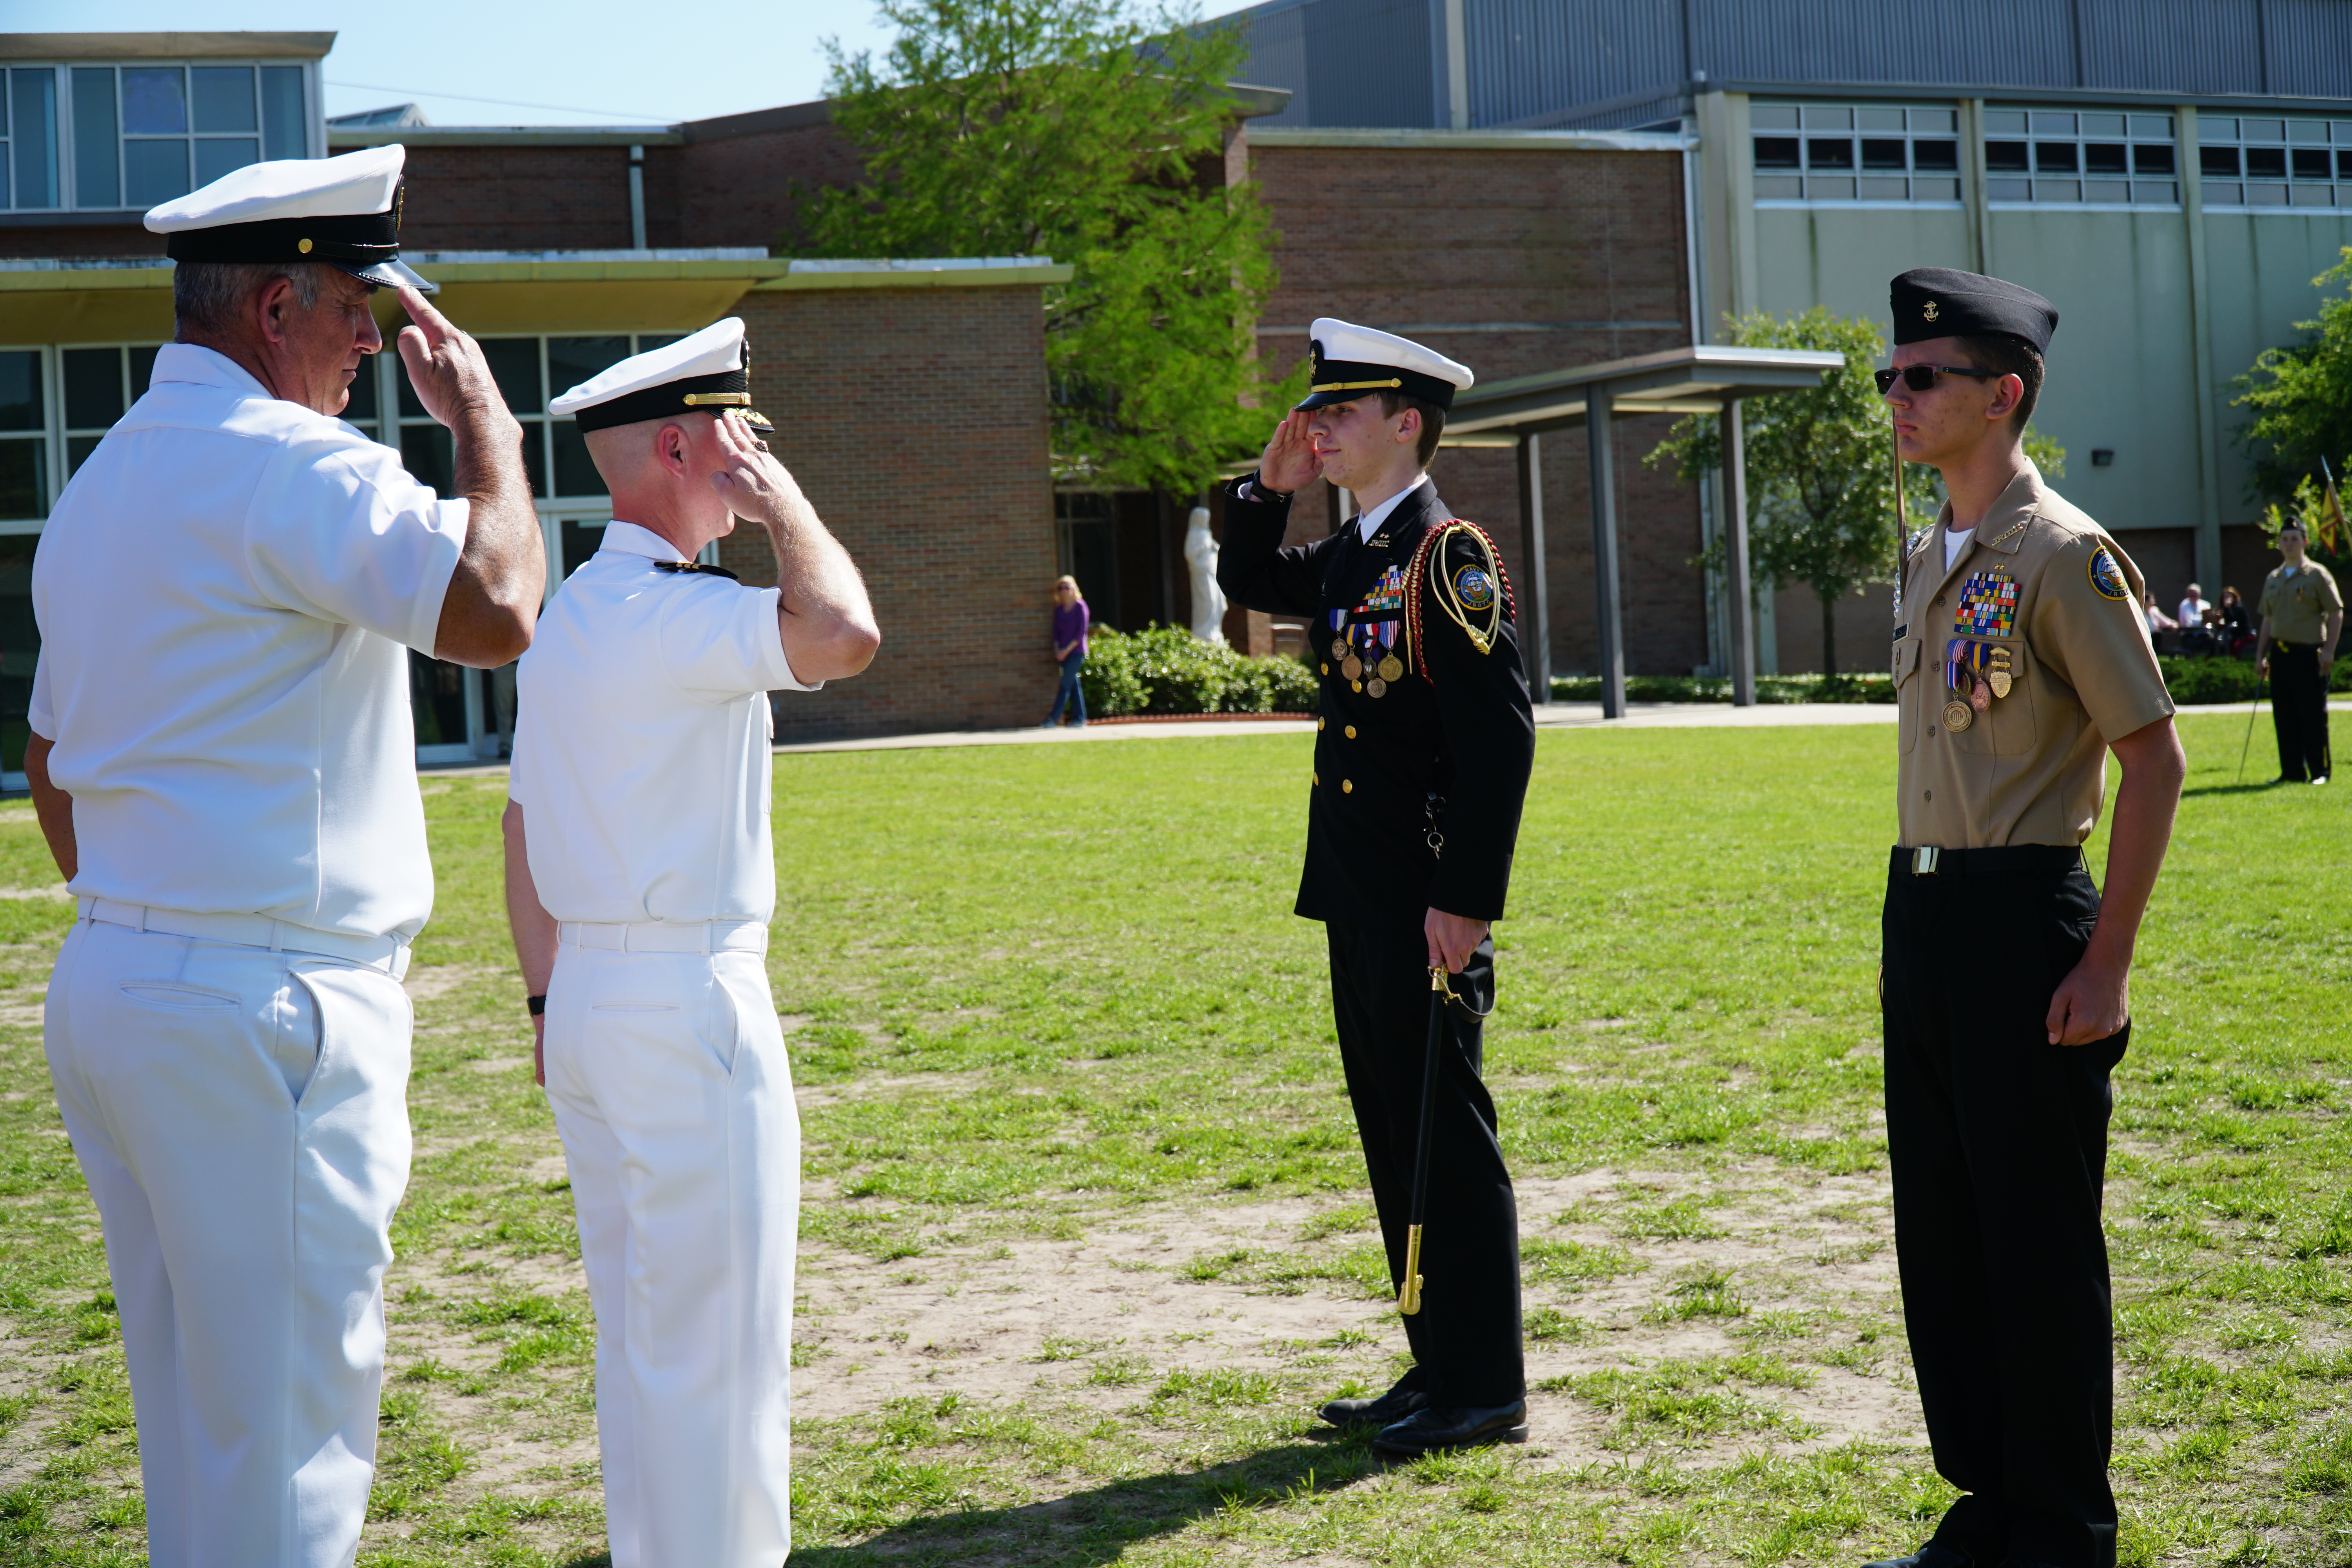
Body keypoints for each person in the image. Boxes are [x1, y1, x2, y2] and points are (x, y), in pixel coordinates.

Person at [25, 145, 543, 1565]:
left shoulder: (99, 484)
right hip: (266, 1002)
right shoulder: (290, 462)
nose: (374, 339)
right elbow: (498, 606)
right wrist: (487, 433)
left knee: (202, 1422)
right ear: (274, 309)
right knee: (293, 1442)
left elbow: (47, 763)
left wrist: (155, 915)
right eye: (352, 305)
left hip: (124, 982)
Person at [502, 318, 878, 1568]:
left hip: (592, 1003)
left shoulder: (569, 615)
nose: (756, 444)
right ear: (679, 443)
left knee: (641, 1346)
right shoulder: (673, 612)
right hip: (686, 999)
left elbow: (519, 826)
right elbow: (843, 635)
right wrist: (790, 510)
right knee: (720, 1357)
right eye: (737, 428)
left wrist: (550, 1006)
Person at [1872, 268, 2184, 1568]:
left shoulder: (2064, 554)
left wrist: (2106, 966)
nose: (1897, 397)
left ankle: (2058, 1525)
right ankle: (1990, 1500)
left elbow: (2153, 761)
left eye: (1921, 378)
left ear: (2001, 396)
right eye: (1891, 378)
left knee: (2036, 1240)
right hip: (1928, 916)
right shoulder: (1928, 555)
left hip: (2025, 924)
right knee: (1944, 1231)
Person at [1217, 318, 1536, 1457]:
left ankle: (1484, 1380)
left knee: (1444, 1135)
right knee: (1390, 1132)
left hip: (1425, 902)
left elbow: (1498, 742)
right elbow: (1249, 575)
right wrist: (1269, 481)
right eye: (1315, 410)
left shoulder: (1445, 558)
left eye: (1340, 411)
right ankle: (1434, 1363)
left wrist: (1466, 897)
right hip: (1358, 892)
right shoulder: (1357, 552)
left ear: (1407, 421)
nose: (1319, 427)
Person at [2251, 520, 2343, 785]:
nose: (2289, 543)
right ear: (2279, 544)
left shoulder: (2317, 575)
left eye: (2294, 538)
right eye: (2285, 539)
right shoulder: (2274, 578)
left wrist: (2329, 652)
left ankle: (2320, 772)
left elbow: (2336, 612)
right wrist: (2260, 655)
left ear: (2305, 542)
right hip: (2281, 655)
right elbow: (2268, 620)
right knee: (2285, 715)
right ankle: (2292, 772)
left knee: (2312, 715)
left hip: (2309, 654)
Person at [1043, 574, 1090, 728]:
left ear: (1074, 588)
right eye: (1061, 588)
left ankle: (1052, 719)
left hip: (1076, 652)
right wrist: (1058, 650)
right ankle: (1080, 720)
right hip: (1062, 652)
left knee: (1064, 685)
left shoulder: (1080, 607)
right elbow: (1056, 631)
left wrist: (1067, 650)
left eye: (1067, 587)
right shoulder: (1059, 610)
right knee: (1074, 685)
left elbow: (1081, 632)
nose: (1064, 590)